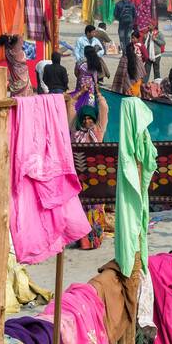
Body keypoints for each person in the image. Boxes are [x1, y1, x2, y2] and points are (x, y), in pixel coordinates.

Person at [70, 96, 111, 250]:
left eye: (90, 118)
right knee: (81, 208)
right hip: (80, 178)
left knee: (96, 207)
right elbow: (70, 109)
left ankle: (96, 239)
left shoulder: (98, 131)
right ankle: (83, 240)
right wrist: (78, 94)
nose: (87, 121)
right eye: (85, 118)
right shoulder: (75, 133)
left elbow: (104, 110)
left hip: (96, 177)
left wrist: (100, 96)